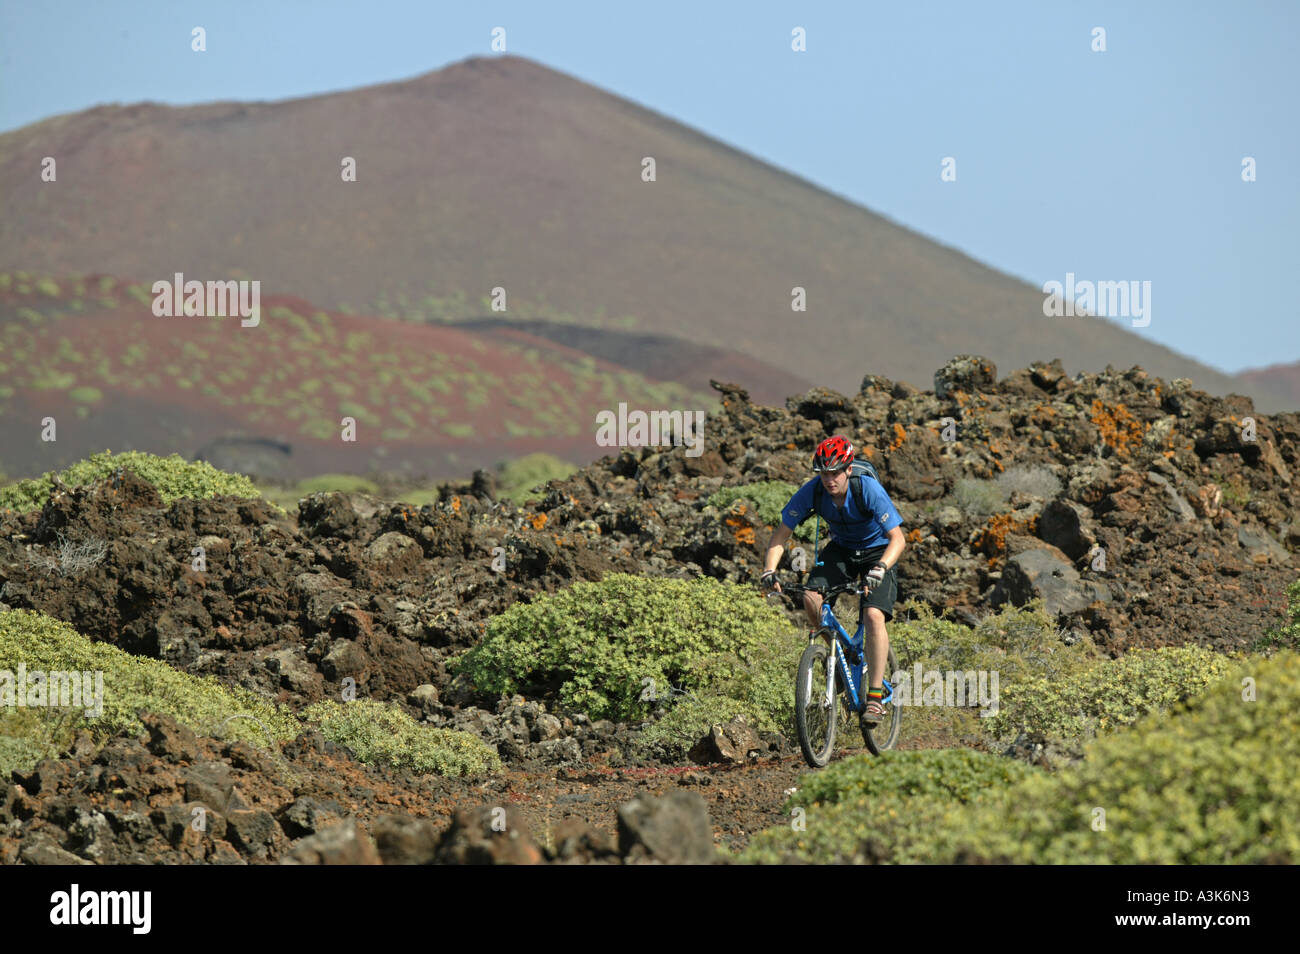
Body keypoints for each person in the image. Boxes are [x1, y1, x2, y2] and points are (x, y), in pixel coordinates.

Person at [759, 435, 905, 724]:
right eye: (823, 473)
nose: (829, 479)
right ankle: (836, 659)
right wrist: (769, 570)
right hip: (842, 550)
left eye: (835, 472)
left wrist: (880, 568)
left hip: (878, 550)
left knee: (874, 615)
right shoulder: (813, 492)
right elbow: (781, 534)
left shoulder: (868, 489)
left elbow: (898, 539)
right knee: (811, 598)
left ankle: (875, 698)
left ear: (848, 469)